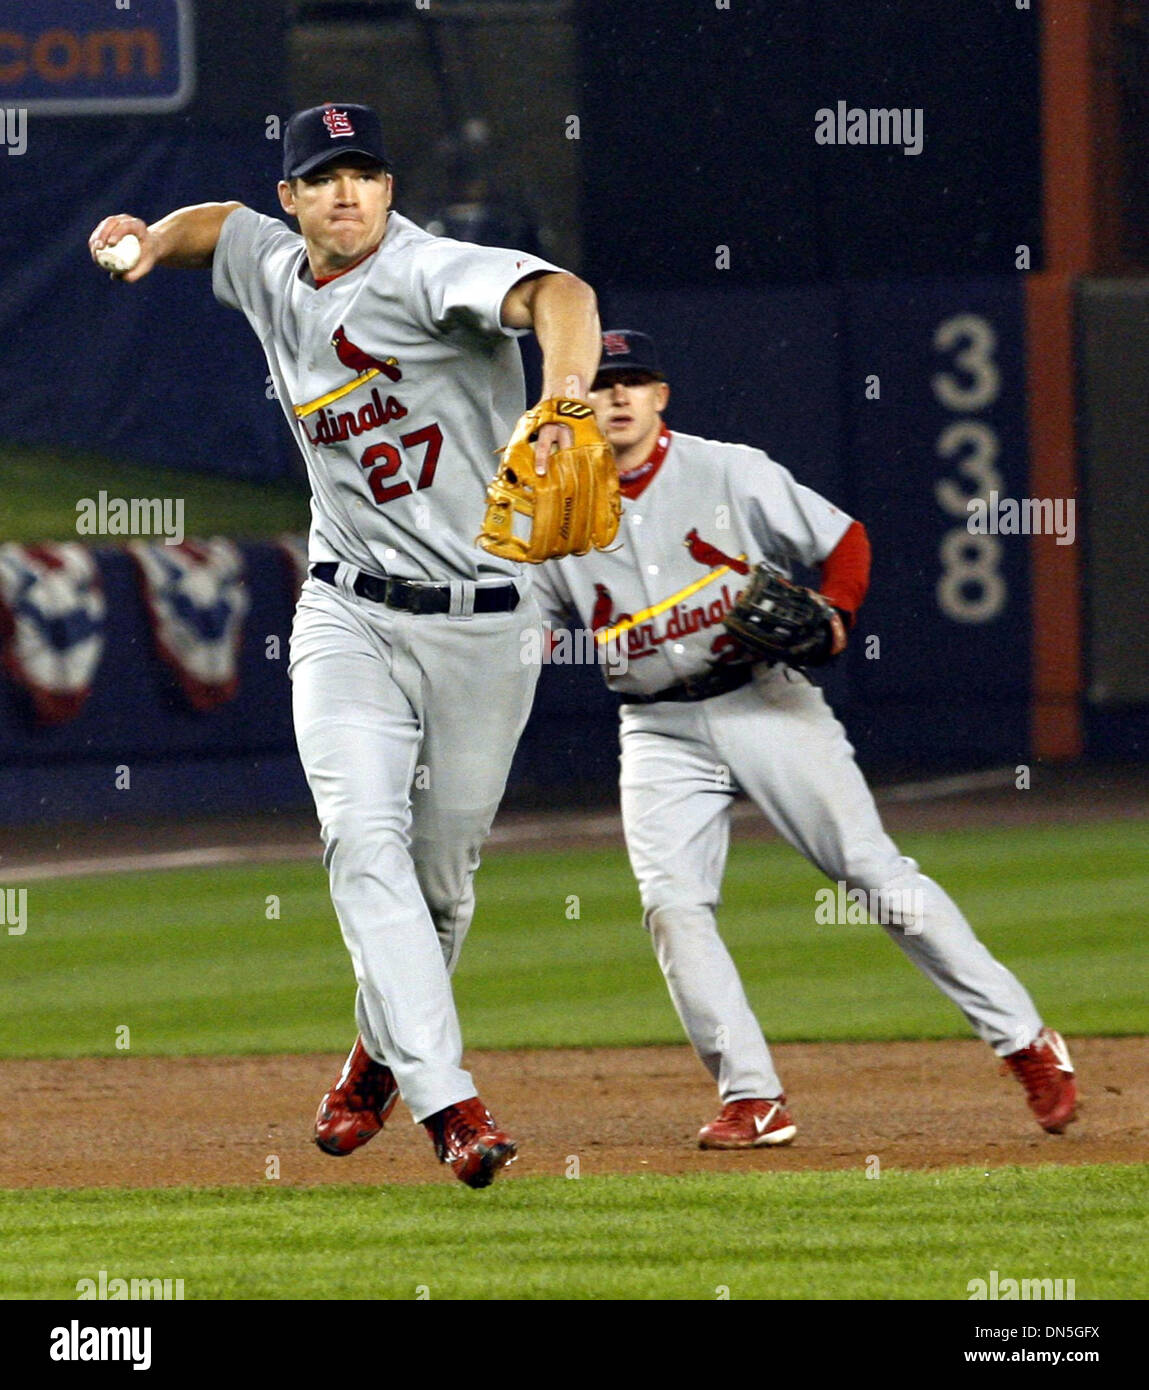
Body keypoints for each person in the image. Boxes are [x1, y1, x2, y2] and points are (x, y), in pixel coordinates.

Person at [89, 102, 602, 1188]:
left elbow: (562, 295)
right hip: (346, 614)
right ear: (295, 199)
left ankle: (376, 1057)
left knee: (442, 882)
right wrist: (145, 242)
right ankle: (451, 1105)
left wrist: (563, 401)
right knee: (361, 840)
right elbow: (215, 224)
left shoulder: (429, 274)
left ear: (388, 186)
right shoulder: (272, 262)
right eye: (324, 177)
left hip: (485, 622)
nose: (348, 193)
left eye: (366, 173)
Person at [530, 328, 1078, 1149]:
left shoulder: (727, 469)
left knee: (872, 875)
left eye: (634, 381)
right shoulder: (555, 507)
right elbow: (521, 625)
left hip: (764, 699)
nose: (617, 396)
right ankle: (751, 1096)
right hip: (655, 727)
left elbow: (842, 539)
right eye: (602, 383)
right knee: (672, 907)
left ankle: (1026, 1043)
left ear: (660, 396)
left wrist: (838, 618)